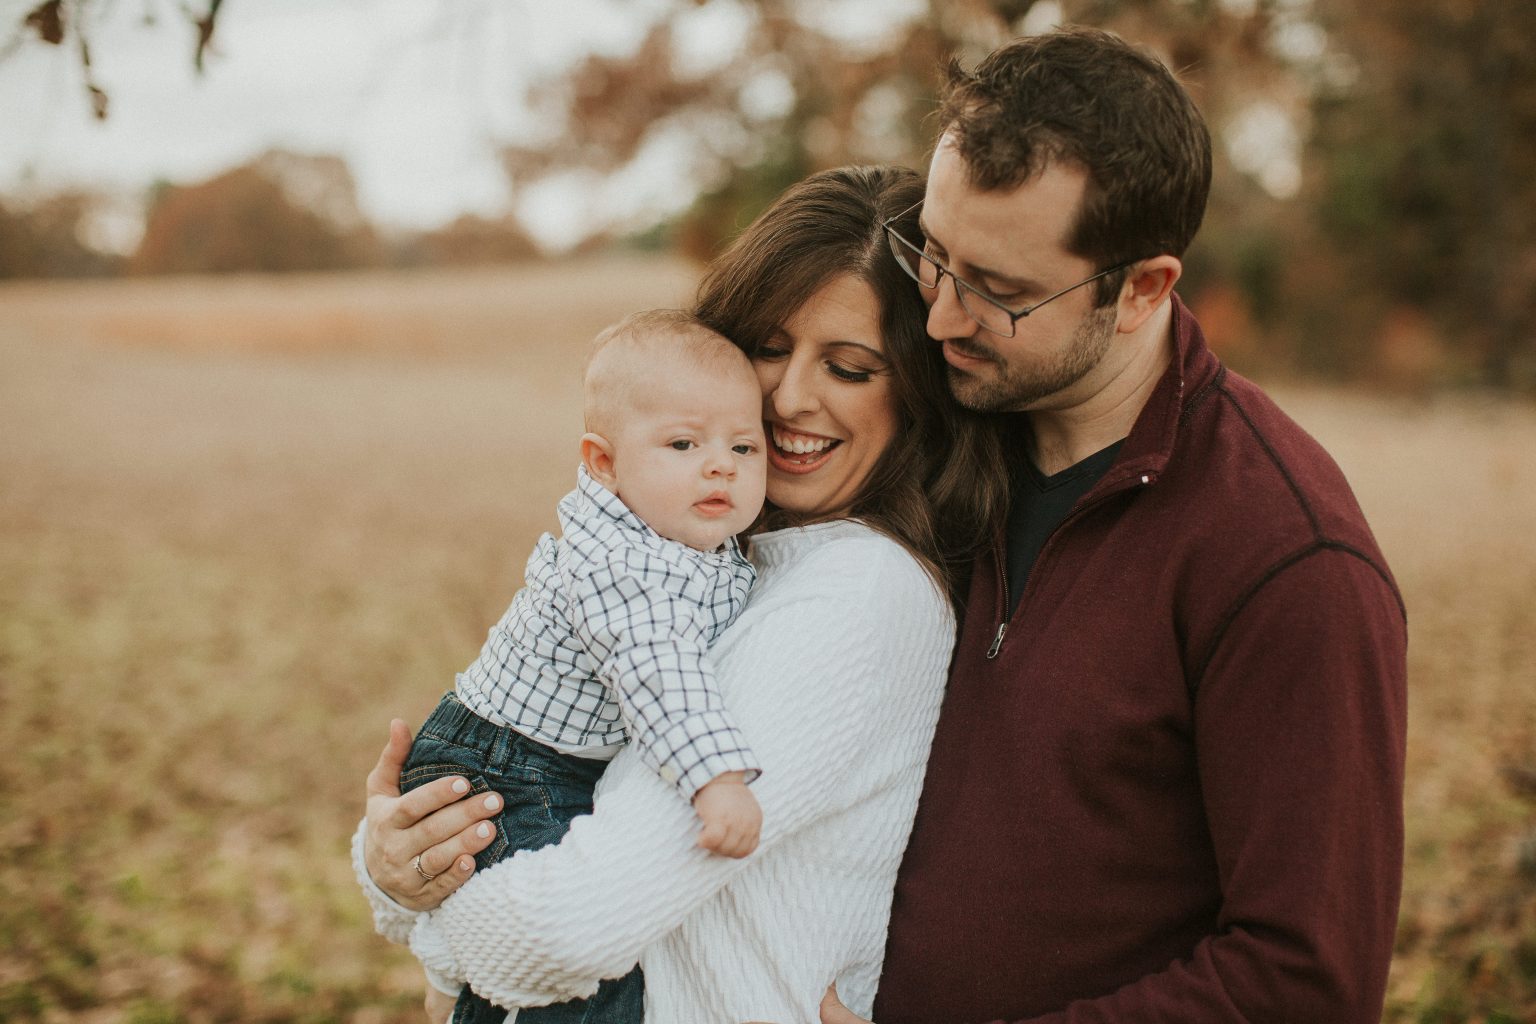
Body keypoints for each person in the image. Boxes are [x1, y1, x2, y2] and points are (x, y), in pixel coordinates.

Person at [822, 26, 1409, 1024]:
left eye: (999, 291)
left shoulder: (1286, 557)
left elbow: (1305, 981)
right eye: (935, 253)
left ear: (1142, 289)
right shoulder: (933, 431)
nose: (941, 316)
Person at [354, 165, 1007, 1023]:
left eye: (849, 368)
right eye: (767, 348)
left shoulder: (859, 596)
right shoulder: (722, 552)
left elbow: (563, 929)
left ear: (918, 392)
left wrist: (426, 917)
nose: (787, 399)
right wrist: (392, 864)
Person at [397, 310, 771, 1023]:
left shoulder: (689, 538)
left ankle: (450, 963)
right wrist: (717, 780)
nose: (721, 464)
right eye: (683, 443)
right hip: (504, 764)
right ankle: (453, 964)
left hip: (546, 761)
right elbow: (657, 670)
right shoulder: (621, 562)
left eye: (744, 446)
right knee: (588, 972)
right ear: (604, 463)